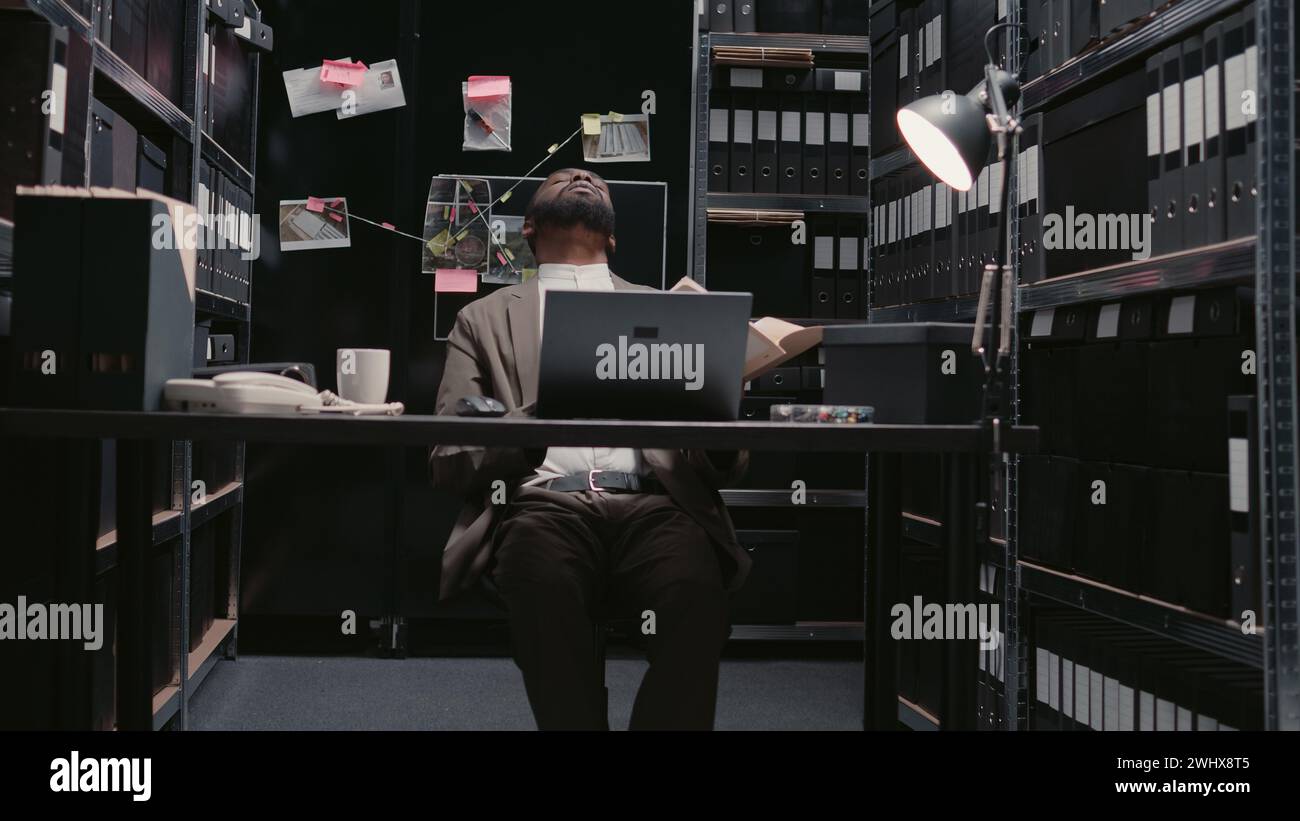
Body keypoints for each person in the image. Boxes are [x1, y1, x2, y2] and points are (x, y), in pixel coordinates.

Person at [428, 167, 751, 730]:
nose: (581, 175)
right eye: (562, 177)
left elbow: (723, 466)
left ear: (614, 237)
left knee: (698, 597)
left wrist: (723, 409)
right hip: (543, 507)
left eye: (595, 180)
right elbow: (448, 458)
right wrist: (540, 417)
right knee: (542, 587)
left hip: (654, 506)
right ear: (528, 226)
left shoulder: (668, 309)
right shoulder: (482, 320)